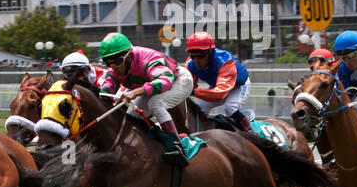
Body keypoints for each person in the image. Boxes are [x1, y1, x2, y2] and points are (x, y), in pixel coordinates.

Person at [97, 32, 193, 165]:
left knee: (156, 103)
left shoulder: (147, 58)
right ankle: (153, 143)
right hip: (153, 86)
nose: (113, 67)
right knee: (131, 115)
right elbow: (107, 88)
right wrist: (104, 97)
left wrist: (136, 92)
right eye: (107, 62)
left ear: (129, 54)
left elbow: (165, 81)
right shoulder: (114, 69)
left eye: (118, 61)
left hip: (179, 80)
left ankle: (176, 146)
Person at [184, 31, 253, 131]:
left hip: (238, 85)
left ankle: (251, 133)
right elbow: (189, 86)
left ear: (210, 52)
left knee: (230, 108)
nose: (197, 61)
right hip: (218, 85)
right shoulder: (190, 64)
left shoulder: (225, 62)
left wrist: (193, 92)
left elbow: (219, 95)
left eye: (201, 56)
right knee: (200, 108)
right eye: (193, 56)